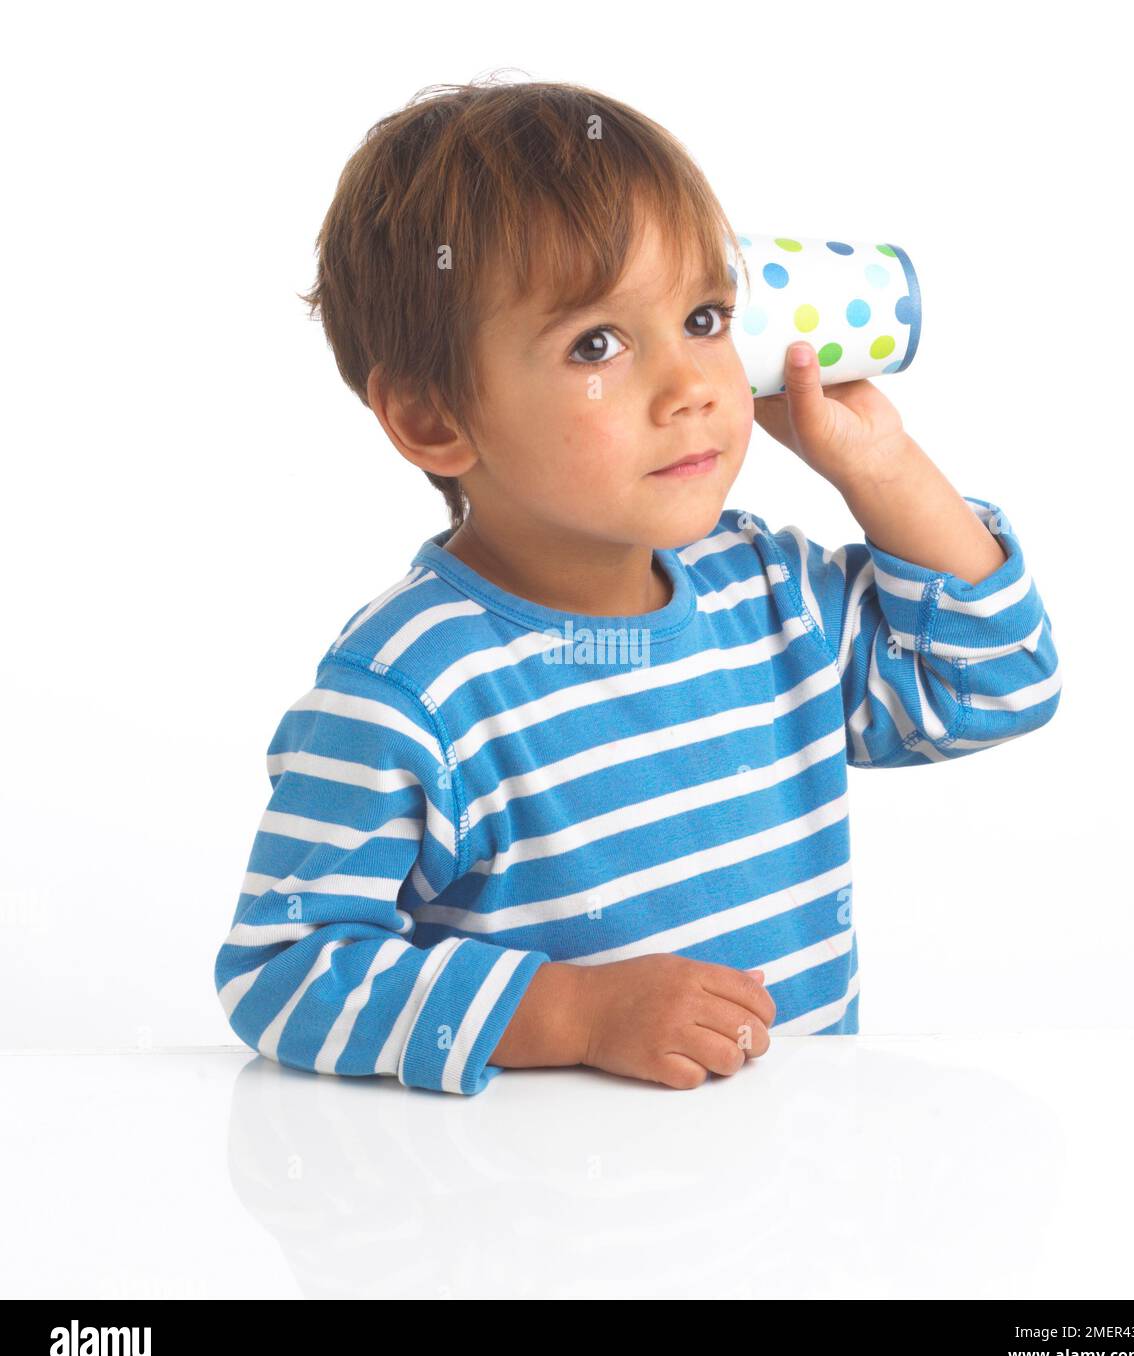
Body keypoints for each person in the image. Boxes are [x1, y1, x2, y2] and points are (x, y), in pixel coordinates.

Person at [213, 78, 1061, 1096]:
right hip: (543, 1220)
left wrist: (878, 468)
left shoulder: (768, 598)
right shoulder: (411, 690)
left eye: (706, 317)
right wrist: (570, 1009)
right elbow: (286, 971)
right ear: (435, 418)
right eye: (596, 344)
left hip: (792, 1192)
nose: (693, 384)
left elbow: (996, 682)